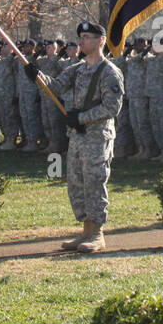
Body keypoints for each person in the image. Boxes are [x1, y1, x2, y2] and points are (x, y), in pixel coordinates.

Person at [28, 22, 125, 252]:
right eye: (80, 37)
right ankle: (86, 231)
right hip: (78, 136)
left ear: (100, 41)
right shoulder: (77, 69)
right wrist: (36, 75)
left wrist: (80, 118)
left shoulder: (110, 72)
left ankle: (97, 234)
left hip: (97, 136)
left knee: (94, 180)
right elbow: (55, 88)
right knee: (76, 181)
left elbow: (112, 108)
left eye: (87, 37)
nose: (81, 42)